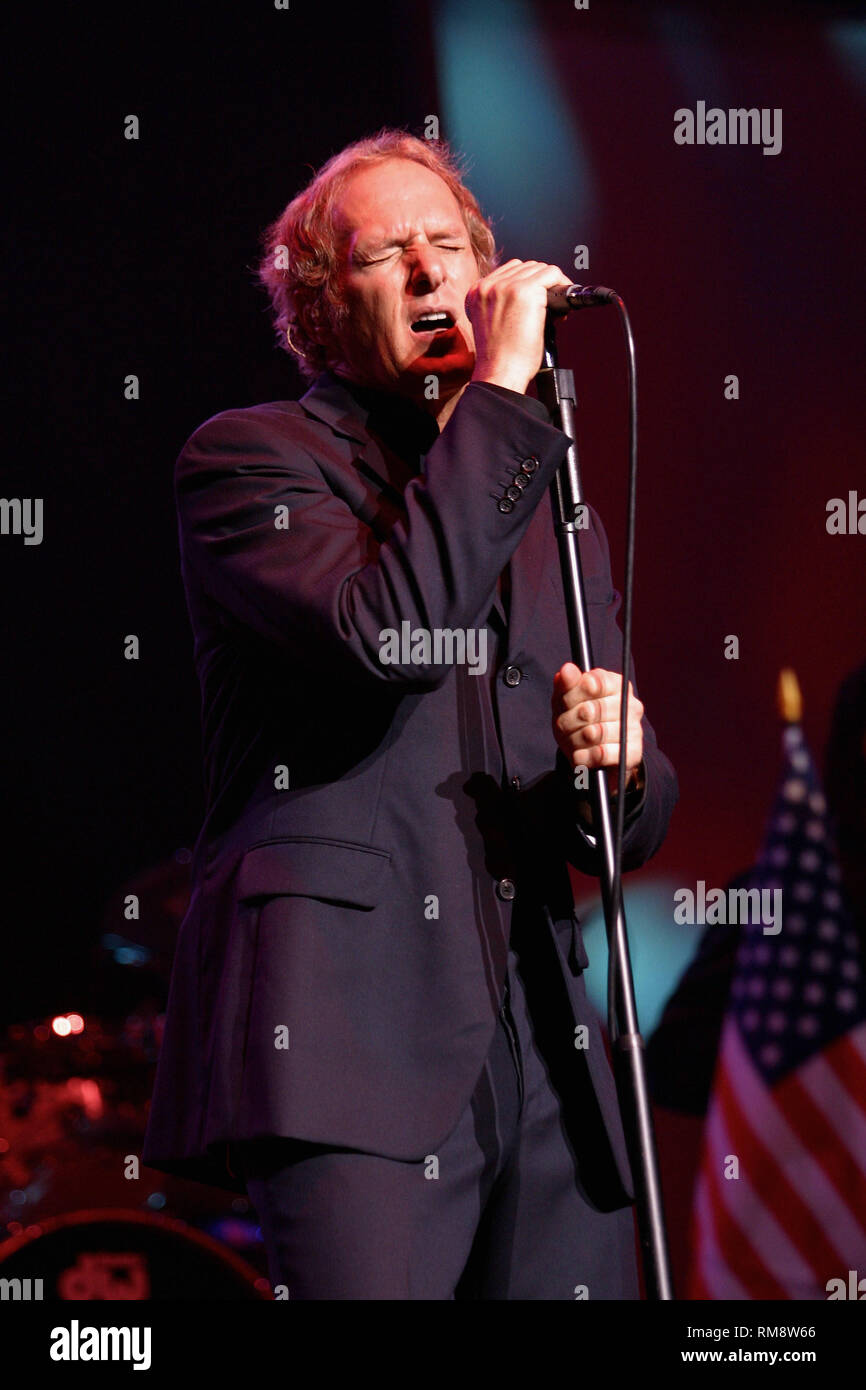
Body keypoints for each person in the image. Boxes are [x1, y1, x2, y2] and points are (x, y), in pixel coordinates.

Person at [141, 129, 679, 1300]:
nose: (436, 275)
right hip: (350, 1041)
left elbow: (623, 833)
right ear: (326, 308)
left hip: (546, 1051)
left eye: (451, 245)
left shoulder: (544, 502)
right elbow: (384, 631)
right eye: (391, 254)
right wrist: (495, 392)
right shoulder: (251, 463)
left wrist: (623, 766)